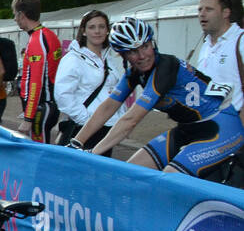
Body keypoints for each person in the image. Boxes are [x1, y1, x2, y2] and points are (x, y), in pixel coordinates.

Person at [70, 17, 244, 176]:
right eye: (132, 52)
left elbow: (130, 120)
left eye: (145, 46)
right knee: (129, 176)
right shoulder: (134, 73)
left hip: (221, 126)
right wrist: (77, 142)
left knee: (169, 178)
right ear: (123, 55)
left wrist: (94, 153)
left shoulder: (166, 67)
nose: (142, 56)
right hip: (187, 129)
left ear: (152, 43)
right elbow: (108, 106)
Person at [54, 9, 124, 148]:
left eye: (101, 27)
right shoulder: (73, 59)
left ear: (107, 30)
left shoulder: (108, 58)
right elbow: (63, 95)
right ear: (84, 31)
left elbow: (113, 91)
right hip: (83, 127)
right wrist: (86, 119)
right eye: (92, 27)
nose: (97, 31)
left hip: (107, 127)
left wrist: (119, 119)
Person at [12, 0, 63, 142]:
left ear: (22, 15)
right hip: (47, 104)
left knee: (40, 153)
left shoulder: (37, 40)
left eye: (15, 14)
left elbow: (36, 82)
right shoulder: (49, 34)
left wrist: (28, 117)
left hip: (42, 106)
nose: (14, 19)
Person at [191, 0, 243, 112]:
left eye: (209, 9)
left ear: (225, 13)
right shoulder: (206, 45)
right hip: (208, 125)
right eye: (200, 9)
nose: (202, 14)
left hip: (235, 125)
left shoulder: (240, 41)